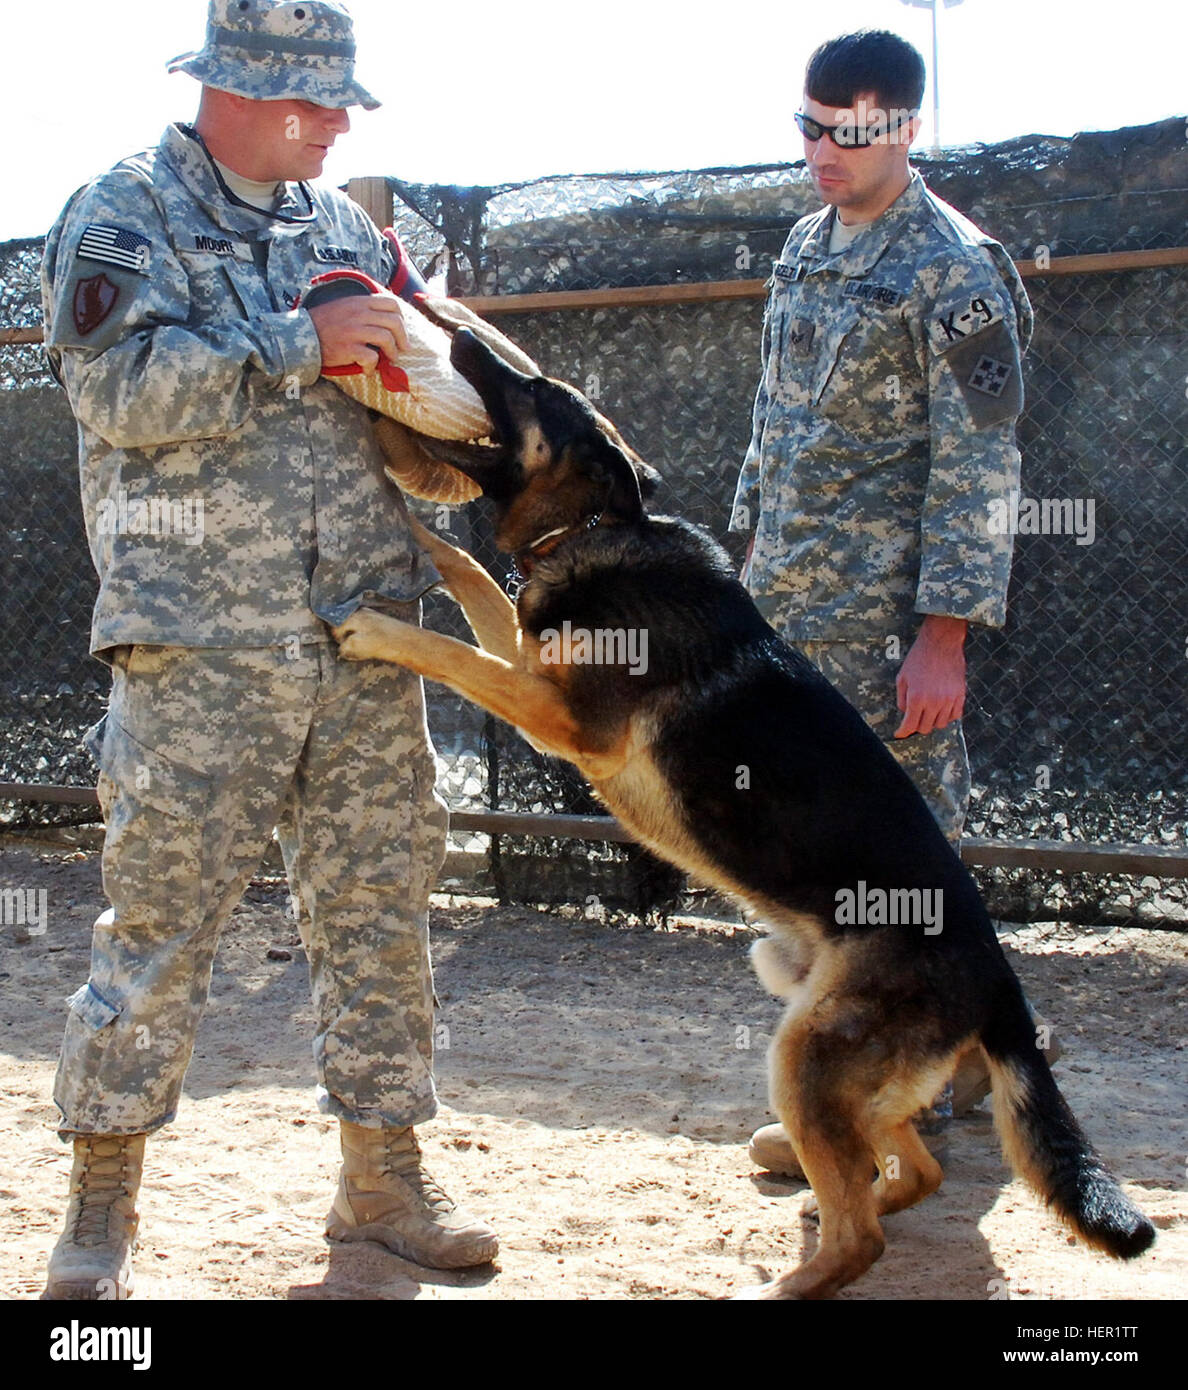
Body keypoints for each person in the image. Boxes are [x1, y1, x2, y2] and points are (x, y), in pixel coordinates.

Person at [39, 0, 497, 1300]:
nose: (347, 123)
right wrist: (302, 345)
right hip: (200, 647)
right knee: (161, 923)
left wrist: (445, 395)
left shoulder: (345, 226)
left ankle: (385, 1179)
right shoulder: (120, 213)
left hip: (365, 632)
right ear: (255, 93)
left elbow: (417, 377)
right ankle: (100, 1214)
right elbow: (116, 392)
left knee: (380, 909)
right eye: (329, 103)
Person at [730, 29, 1038, 1176]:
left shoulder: (958, 268)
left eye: (850, 133)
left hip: (888, 635)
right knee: (808, 864)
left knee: (907, 861)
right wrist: (747, 573)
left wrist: (945, 636)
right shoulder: (805, 250)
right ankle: (868, 1076)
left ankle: (911, 1102)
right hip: (788, 622)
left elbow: (982, 463)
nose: (823, 151)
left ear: (905, 128)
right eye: (811, 126)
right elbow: (773, 422)